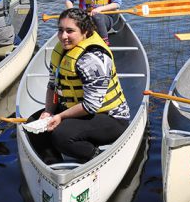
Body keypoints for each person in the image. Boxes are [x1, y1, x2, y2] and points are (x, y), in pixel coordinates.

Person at [30, 8, 130, 164]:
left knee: (62, 135)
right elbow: (52, 85)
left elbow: (91, 106)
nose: (64, 36)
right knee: (35, 124)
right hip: (77, 110)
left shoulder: (93, 59)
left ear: (85, 32)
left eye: (70, 31)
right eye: (60, 30)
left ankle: (95, 157)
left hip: (110, 117)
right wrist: (48, 112)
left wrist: (60, 117)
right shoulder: (61, 51)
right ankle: (53, 165)